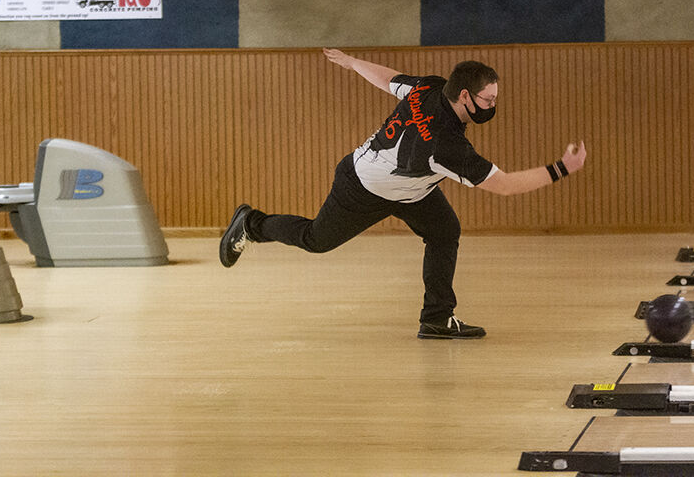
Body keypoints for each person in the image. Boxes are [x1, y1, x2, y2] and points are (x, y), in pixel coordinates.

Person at [220, 48, 587, 339]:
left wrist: (352, 63)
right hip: (363, 186)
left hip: (412, 190)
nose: (493, 106)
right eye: (489, 100)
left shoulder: (430, 86)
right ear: (464, 96)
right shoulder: (447, 147)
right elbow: (504, 185)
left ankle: (437, 319)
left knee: (445, 231)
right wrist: (562, 168)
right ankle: (252, 224)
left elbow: (388, 79)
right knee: (316, 240)